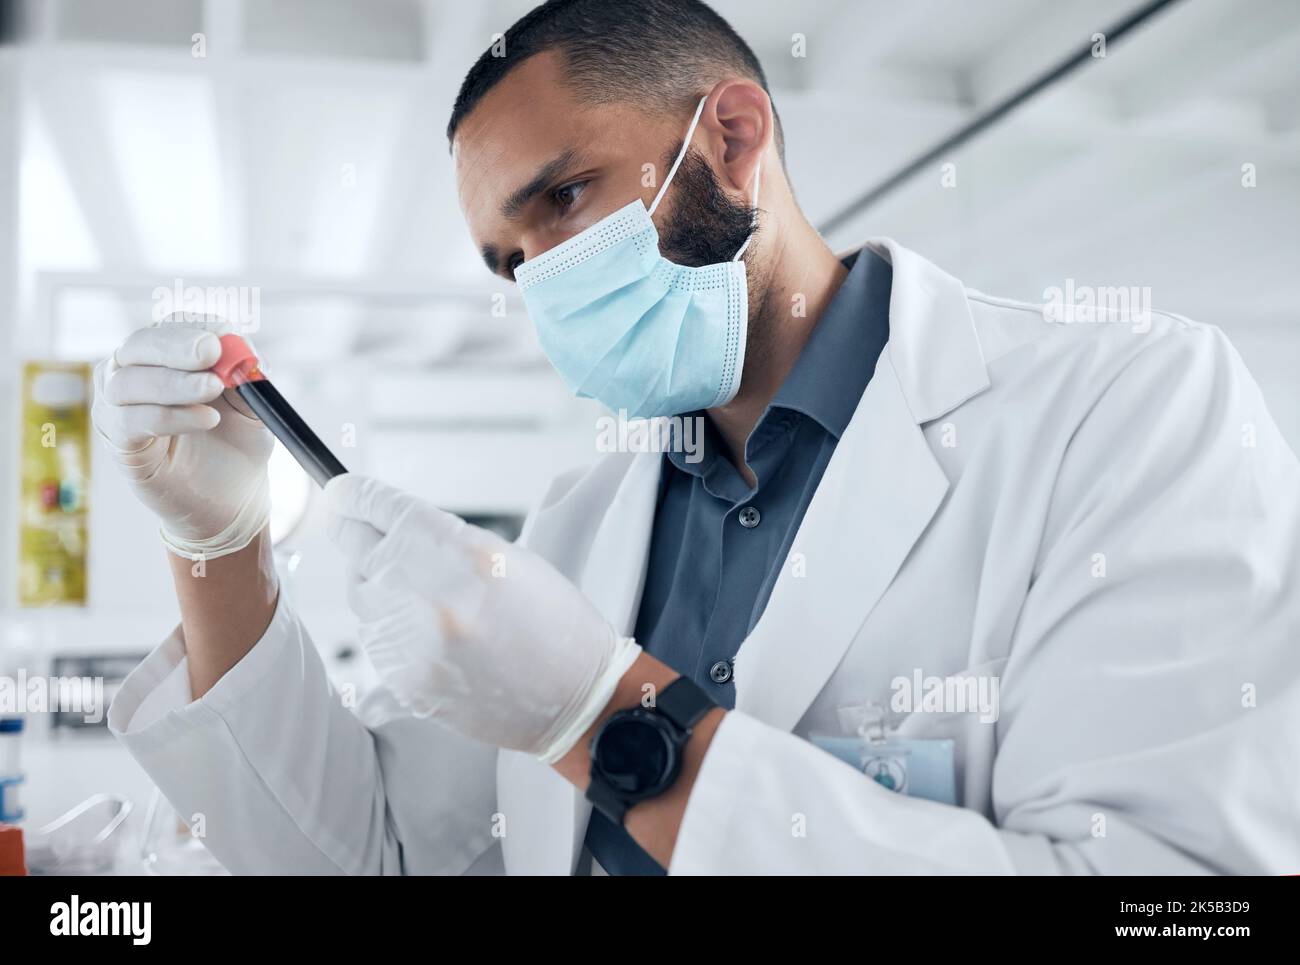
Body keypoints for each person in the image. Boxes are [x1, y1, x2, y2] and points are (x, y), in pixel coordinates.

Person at [96, 0, 1300, 875]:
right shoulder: (583, 517)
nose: (545, 280)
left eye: (561, 198)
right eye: (511, 263)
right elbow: (374, 852)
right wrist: (220, 545)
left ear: (730, 137)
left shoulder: (1124, 407)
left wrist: (607, 718)